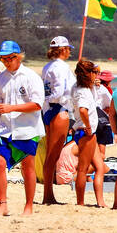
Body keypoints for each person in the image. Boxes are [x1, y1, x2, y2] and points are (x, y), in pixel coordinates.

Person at [0, 40, 44, 216]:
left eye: (10, 58)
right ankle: (3, 204)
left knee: (27, 166)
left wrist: (11, 108)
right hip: (5, 129)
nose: (7, 62)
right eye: (4, 58)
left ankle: (29, 205)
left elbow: (37, 104)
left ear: (18, 57)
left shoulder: (31, 77)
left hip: (28, 129)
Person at [41, 36, 75, 206]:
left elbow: (46, 91)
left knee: (50, 154)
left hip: (48, 110)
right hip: (59, 109)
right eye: (68, 49)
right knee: (53, 155)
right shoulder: (62, 67)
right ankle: (47, 195)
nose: (69, 52)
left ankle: (48, 194)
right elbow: (61, 91)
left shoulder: (47, 67)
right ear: (63, 50)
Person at [71, 58, 104, 207]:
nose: (97, 75)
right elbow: (83, 110)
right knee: (83, 169)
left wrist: (94, 82)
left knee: (99, 167)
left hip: (86, 132)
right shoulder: (82, 91)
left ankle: (100, 201)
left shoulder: (79, 87)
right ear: (88, 74)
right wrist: (88, 126)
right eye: (95, 72)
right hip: (86, 132)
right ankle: (80, 202)